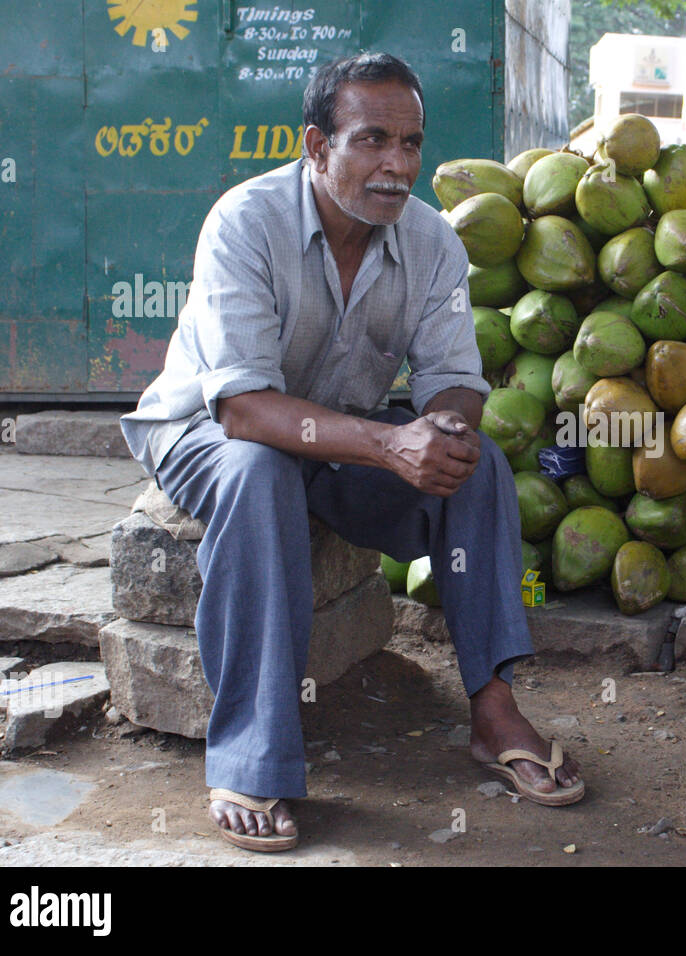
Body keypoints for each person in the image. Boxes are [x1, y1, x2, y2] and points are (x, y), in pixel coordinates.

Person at [120, 52, 583, 852]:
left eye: (411, 144)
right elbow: (241, 406)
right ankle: (250, 755)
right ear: (315, 145)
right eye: (372, 140)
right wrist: (384, 441)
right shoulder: (245, 221)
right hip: (205, 431)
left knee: (480, 466)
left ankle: (494, 704)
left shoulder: (433, 241)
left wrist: (438, 429)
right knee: (261, 470)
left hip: (337, 433)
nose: (397, 166)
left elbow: (455, 379)